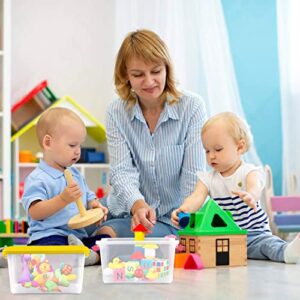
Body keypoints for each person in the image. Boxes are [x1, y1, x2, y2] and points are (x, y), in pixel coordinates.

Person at [97, 29, 207, 238]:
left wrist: (183, 218)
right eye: (138, 75)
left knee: (113, 234)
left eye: (156, 71)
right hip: (125, 209)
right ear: (126, 76)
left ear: (167, 68)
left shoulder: (192, 107)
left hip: (172, 217)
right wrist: (137, 204)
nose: (149, 82)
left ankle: (101, 239)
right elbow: (121, 171)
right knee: (69, 221)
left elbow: (193, 176)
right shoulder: (116, 111)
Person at [172, 112, 300, 263]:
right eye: (207, 150)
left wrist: (251, 194)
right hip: (224, 236)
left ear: (239, 147)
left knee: (266, 245)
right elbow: (196, 197)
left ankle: (287, 253)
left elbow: (256, 184)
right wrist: (184, 209)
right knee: (203, 247)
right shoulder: (207, 178)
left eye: (218, 149)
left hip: (253, 233)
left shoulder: (248, 171)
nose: (211, 156)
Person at [21, 107, 109, 266]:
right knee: (52, 250)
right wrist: (62, 199)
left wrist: (94, 204)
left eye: (79, 146)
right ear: (48, 142)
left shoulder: (75, 174)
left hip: (77, 237)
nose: (78, 152)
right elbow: (35, 212)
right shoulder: (37, 178)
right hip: (49, 236)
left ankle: (87, 255)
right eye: (72, 145)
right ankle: (80, 256)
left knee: (106, 242)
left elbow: (87, 196)